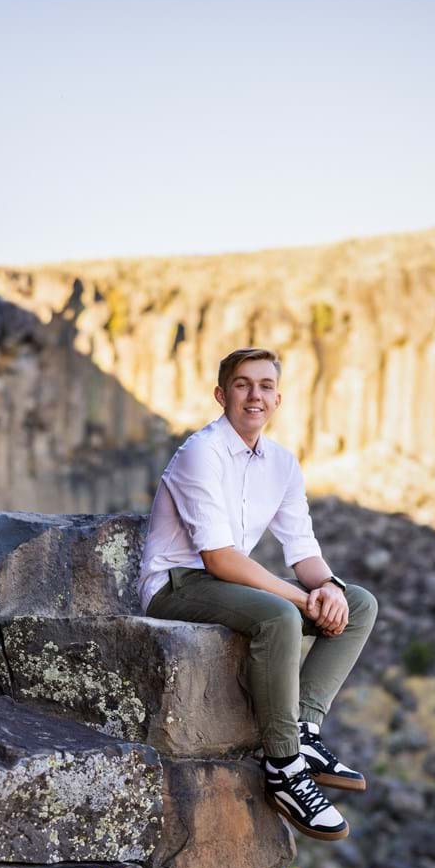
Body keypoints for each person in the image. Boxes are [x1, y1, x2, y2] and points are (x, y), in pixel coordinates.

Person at [137, 347, 378, 841]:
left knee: (357, 605)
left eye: (265, 385)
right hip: (174, 585)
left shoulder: (282, 464)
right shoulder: (199, 453)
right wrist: (299, 599)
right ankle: (284, 767)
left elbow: (303, 548)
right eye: (244, 384)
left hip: (224, 584)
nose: (255, 395)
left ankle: (305, 731)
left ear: (278, 398)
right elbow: (219, 559)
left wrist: (327, 588)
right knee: (279, 618)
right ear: (222, 395)